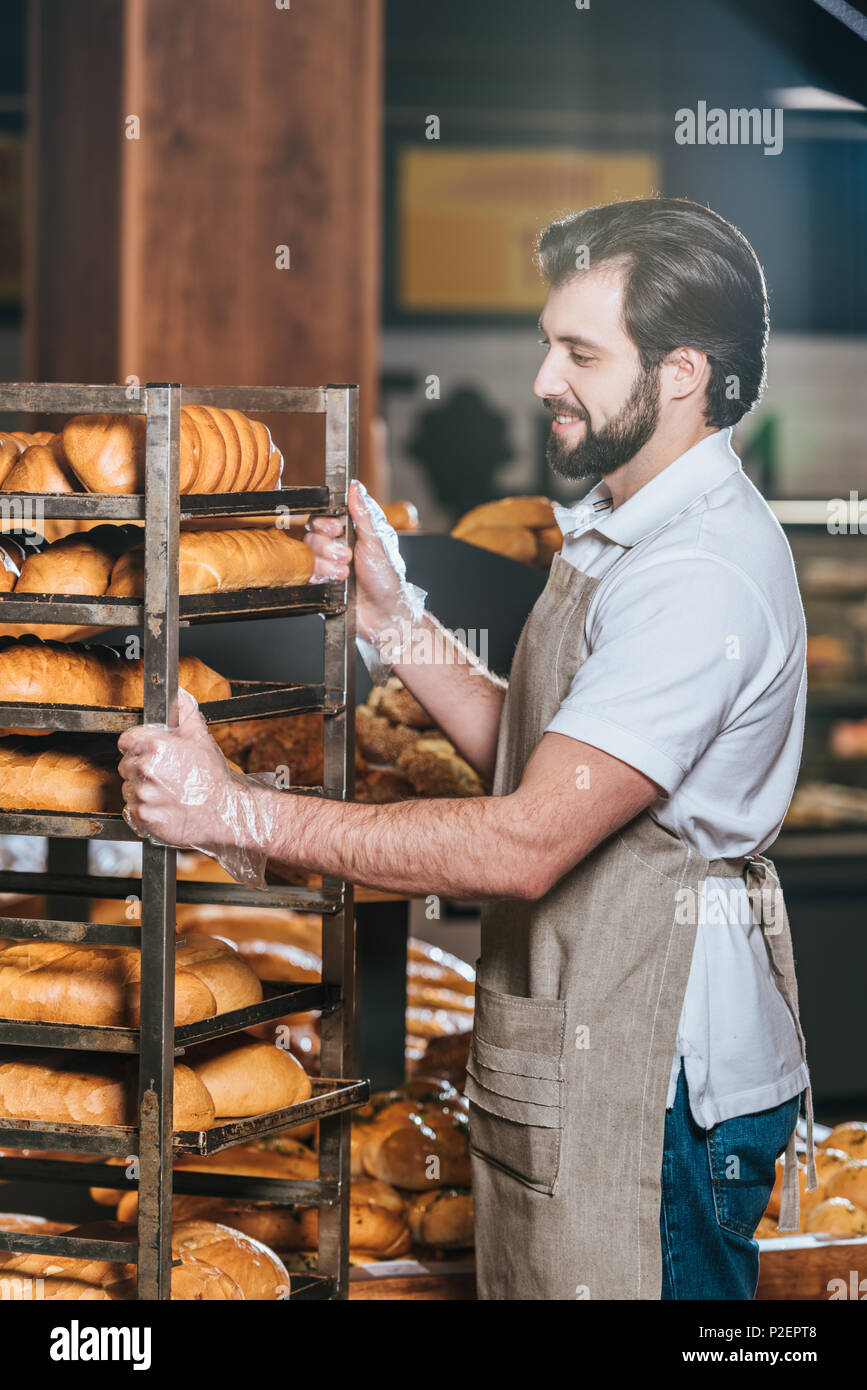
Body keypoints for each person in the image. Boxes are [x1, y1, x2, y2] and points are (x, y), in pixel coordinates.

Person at [119, 196, 817, 1301]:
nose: (543, 377)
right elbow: (541, 757)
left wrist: (234, 811)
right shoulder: (630, 530)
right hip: (592, 1048)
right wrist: (395, 619)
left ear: (683, 373)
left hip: (654, 1089)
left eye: (580, 351)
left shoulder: (700, 572)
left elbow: (529, 839)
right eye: (550, 342)